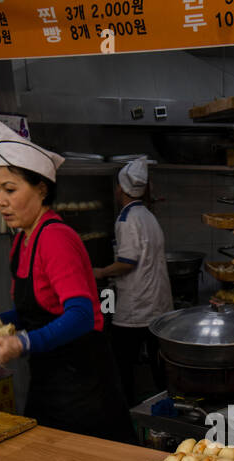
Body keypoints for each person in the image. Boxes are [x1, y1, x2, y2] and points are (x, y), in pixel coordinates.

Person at [0, 114, 132, 442]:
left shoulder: (55, 238)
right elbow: (40, 309)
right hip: (50, 376)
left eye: (10, 189)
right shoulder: (22, 240)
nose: (1, 201)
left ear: (42, 189)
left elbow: (81, 315)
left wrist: (22, 342)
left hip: (82, 382)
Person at [93, 156, 173, 404]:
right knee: (159, 365)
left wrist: (102, 272)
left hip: (136, 308)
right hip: (157, 303)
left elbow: (127, 262)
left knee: (122, 364)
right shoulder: (148, 216)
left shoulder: (126, 220)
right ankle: (166, 405)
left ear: (122, 188)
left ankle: (127, 411)